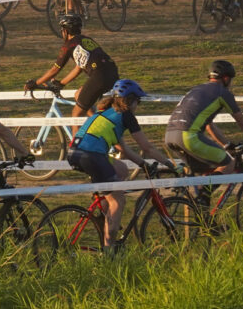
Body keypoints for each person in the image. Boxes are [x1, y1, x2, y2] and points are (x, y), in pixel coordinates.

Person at [67, 79, 173, 251]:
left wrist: (143, 165)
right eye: (138, 101)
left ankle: (104, 214)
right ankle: (109, 251)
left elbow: (123, 150)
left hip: (76, 153)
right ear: (130, 100)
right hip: (92, 156)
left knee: (121, 169)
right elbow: (147, 147)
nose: (138, 105)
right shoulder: (126, 115)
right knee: (118, 200)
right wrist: (169, 163)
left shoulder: (106, 113)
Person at [164, 60, 243, 175]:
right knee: (229, 164)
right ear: (226, 78)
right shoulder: (223, 93)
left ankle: (195, 186)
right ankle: (206, 188)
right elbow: (242, 121)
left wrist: (226, 145)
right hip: (188, 137)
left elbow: (209, 126)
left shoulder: (196, 90)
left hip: (170, 136)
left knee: (206, 170)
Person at [25, 12, 119, 125]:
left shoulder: (69, 45)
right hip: (113, 72)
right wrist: (62, 83)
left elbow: (55, 69)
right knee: (78, 95)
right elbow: (79, 68)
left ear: (66, 31)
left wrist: (36, 83)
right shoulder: (85, 40)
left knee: (76, 115)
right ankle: (99, 125)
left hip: (99, 77)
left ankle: (94, 129)